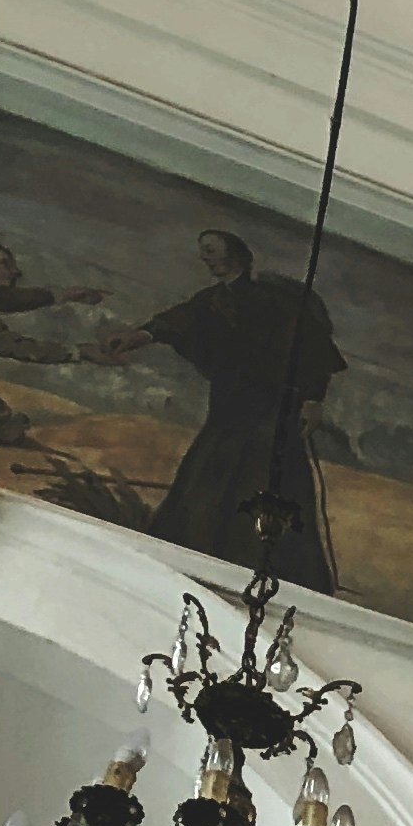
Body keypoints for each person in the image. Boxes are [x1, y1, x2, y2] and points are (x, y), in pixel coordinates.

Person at [78, 227, 342, 588]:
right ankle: (192, 553)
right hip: (230, 406)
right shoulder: (212, 300)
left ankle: (273, 569)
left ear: (237, 253)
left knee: (271, 480)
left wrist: (313, 399)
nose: (205, 257)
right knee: (207, 474)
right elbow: (174, 322)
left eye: (211, 249)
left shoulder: (276, 300)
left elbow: (312, 348)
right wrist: (135, 337)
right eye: (203, 250)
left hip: (274, 409)